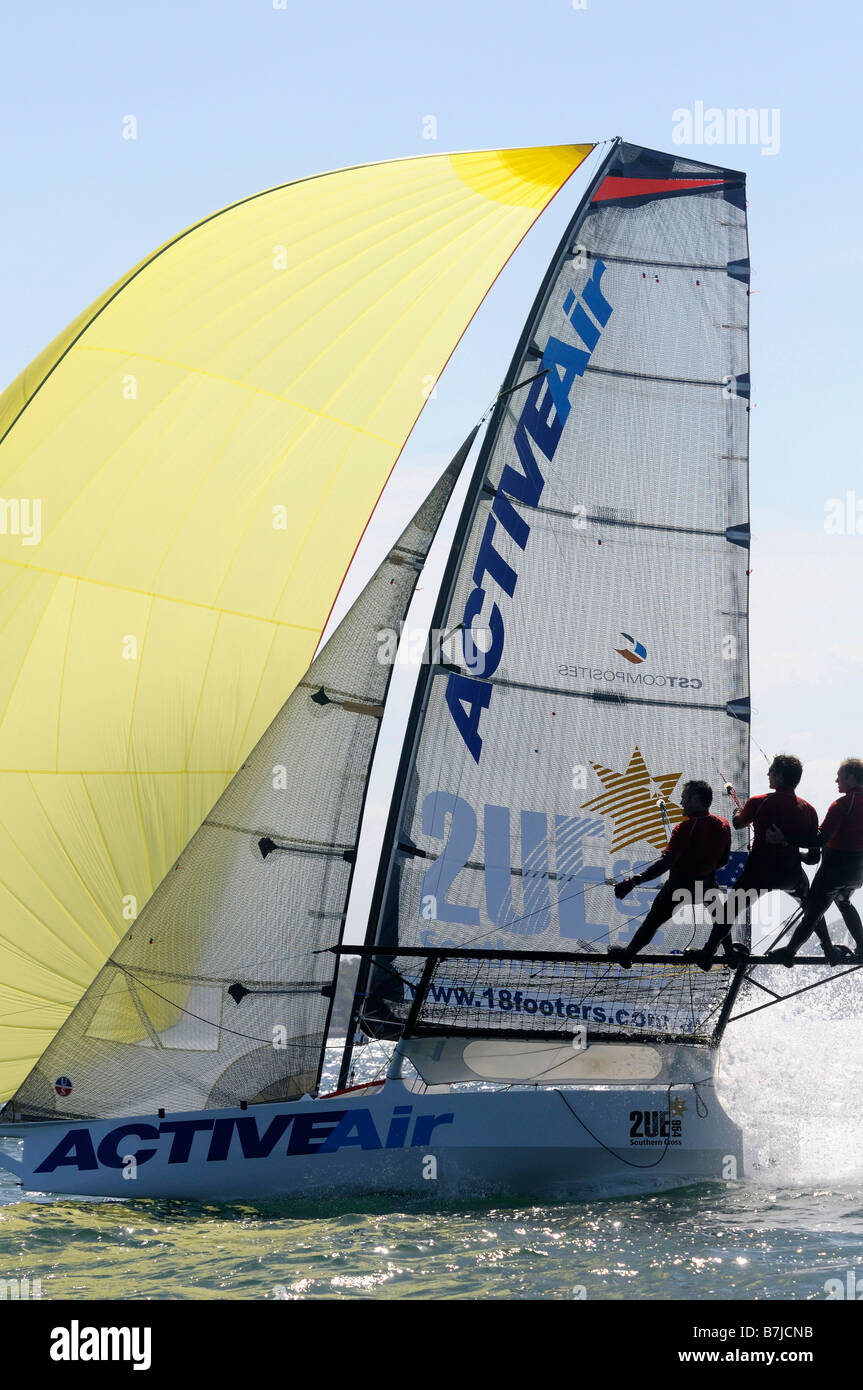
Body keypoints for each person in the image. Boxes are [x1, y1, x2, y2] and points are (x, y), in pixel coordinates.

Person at [683, 753, 831, 969]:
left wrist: (737, 810)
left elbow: (738, 823)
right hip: (790, 874)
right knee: (812, 908)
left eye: (771, 771)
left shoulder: (759, 802)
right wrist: (791, 849)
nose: (768, 773)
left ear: (779, 776)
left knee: (729, 911)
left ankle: (708, 953)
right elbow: (812, 857)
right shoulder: (809, 810)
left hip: (759, 873)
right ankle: (828, 949)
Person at [608, 780, 730, 968]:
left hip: (679, 887)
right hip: (706, 885)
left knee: (652, 922)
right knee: (721, 917)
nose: (681, 803)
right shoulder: (723, 824)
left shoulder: (684, 829)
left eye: (684, 798)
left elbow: (665, 863)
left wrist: (632, 881)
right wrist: (705, 870)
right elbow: (723, 861)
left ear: (695, 799)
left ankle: (628, 955)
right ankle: (729, 955)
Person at [767, 759, 863, 966]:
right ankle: (862, 947)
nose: (836, 779)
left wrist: (785, 840)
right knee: (844, 902)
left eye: (840, 775)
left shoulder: (843, 804)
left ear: (852, 777)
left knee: (812, 912)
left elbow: (820, 839)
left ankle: (790, 951)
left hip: (835, 869)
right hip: (857, 872)